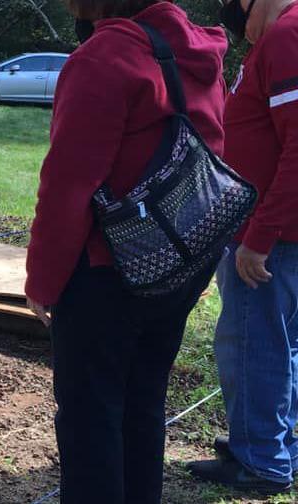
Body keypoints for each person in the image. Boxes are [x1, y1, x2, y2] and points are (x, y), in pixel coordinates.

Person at [24, 0, 228, 501]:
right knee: (142, 407)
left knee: (91, 423)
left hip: (105, 276)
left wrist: (42, 283)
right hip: (175, 267)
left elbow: (67, 187)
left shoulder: (104, 58)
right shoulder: (199, 53)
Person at [186, 0, 298, 494]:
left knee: (252, 345)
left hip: (271, 238)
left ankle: (260, 461)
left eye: (238, 4)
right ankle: (275, 445)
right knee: (281, 346)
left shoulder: (286, 37)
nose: (233, 14)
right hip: (279, 233)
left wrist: (258, 238)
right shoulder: (279, 38)